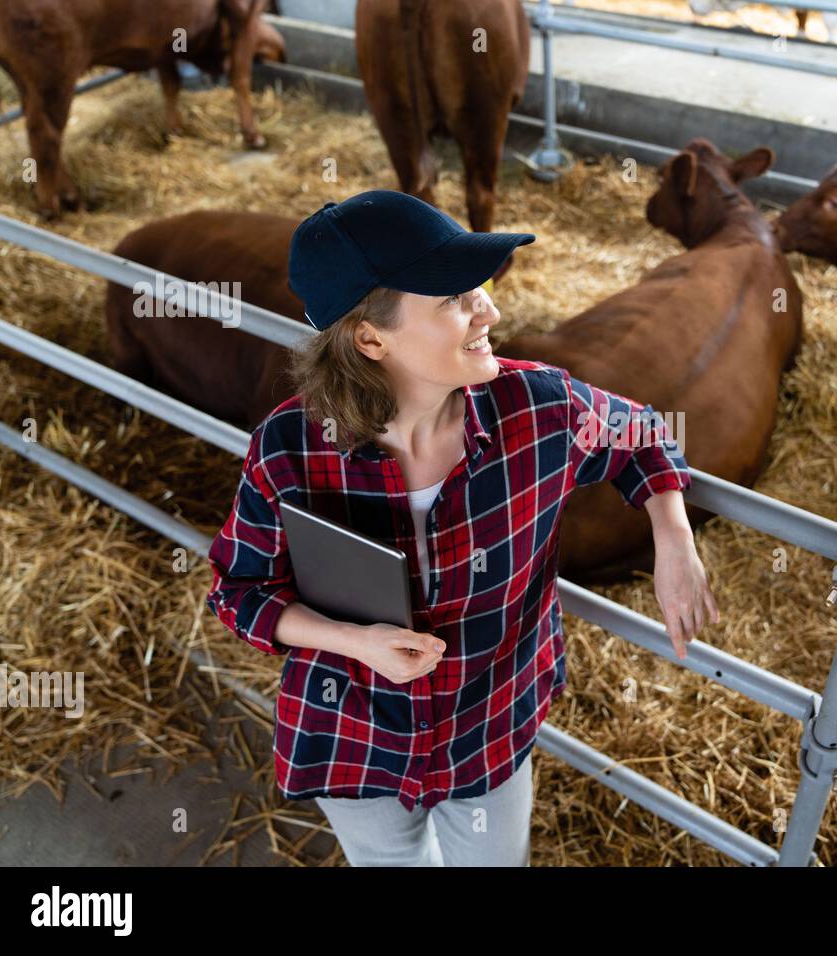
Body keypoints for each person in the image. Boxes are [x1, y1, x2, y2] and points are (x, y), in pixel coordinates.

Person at [205, 190, 720, 866]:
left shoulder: (539, 407)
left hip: (490, 725)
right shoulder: (289, 448)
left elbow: (644, 434)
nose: (490, 310)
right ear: (369, 338)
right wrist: (352, 641)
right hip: (354, 731)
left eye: (478, 288)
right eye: (453, 299)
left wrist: (673, 536)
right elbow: (238, 590)